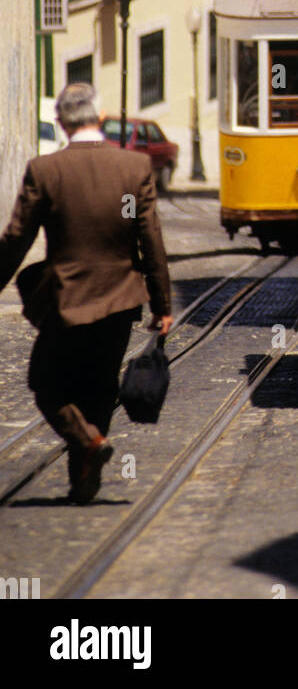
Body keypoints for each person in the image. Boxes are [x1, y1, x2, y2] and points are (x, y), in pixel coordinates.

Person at [0, 83, 172, 503]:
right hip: (120, 301)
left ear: (61, 122)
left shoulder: (47, 171)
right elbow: (147, 237)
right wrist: (162, 303)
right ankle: (85, 471)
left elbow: (18, 237)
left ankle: (90, 449)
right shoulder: (131, 170)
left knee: (45, 382)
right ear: (99, 117)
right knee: (98, 388)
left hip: (68, 300)